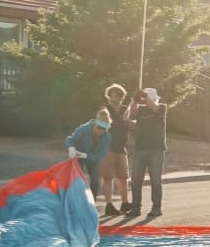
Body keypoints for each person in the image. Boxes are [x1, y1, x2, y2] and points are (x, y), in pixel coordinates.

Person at [128, 88, 168, 222]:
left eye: (147, 97)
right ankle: (135, 207)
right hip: (140, 148)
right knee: (135, 179)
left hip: (156, 149)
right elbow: (132, 115)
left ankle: (156, 208)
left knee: (155, 179)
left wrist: (145, 98)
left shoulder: (161, 107)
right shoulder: (140, 110)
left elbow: (155, 108)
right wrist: (134, 101)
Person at [98, 84, 133, 220]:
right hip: (107, 148)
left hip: (121, 148)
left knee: (123, 177)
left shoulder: (126, 110)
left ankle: (124, 203)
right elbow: (99, 127)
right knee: (108, 177)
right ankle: (109, 205)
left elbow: (134, 126)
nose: (115, 98)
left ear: (122, 97)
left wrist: (128, 121)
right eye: (112, 95)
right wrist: (106, 122)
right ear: (108, 96)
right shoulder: (104, 109)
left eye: (118, 95)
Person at [64, 108, 112, 202]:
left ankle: (92, 202)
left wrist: (86, 156)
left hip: (92, 158)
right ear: (94, 124)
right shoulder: (84, 129)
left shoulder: (107, 137)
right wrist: (71, 149)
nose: (101, 131)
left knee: (95, 180)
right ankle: (76, 201)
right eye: (99, 127)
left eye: (104, 128)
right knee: (77, 180)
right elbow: (70, 140)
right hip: (77, 156)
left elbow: (100, 155)